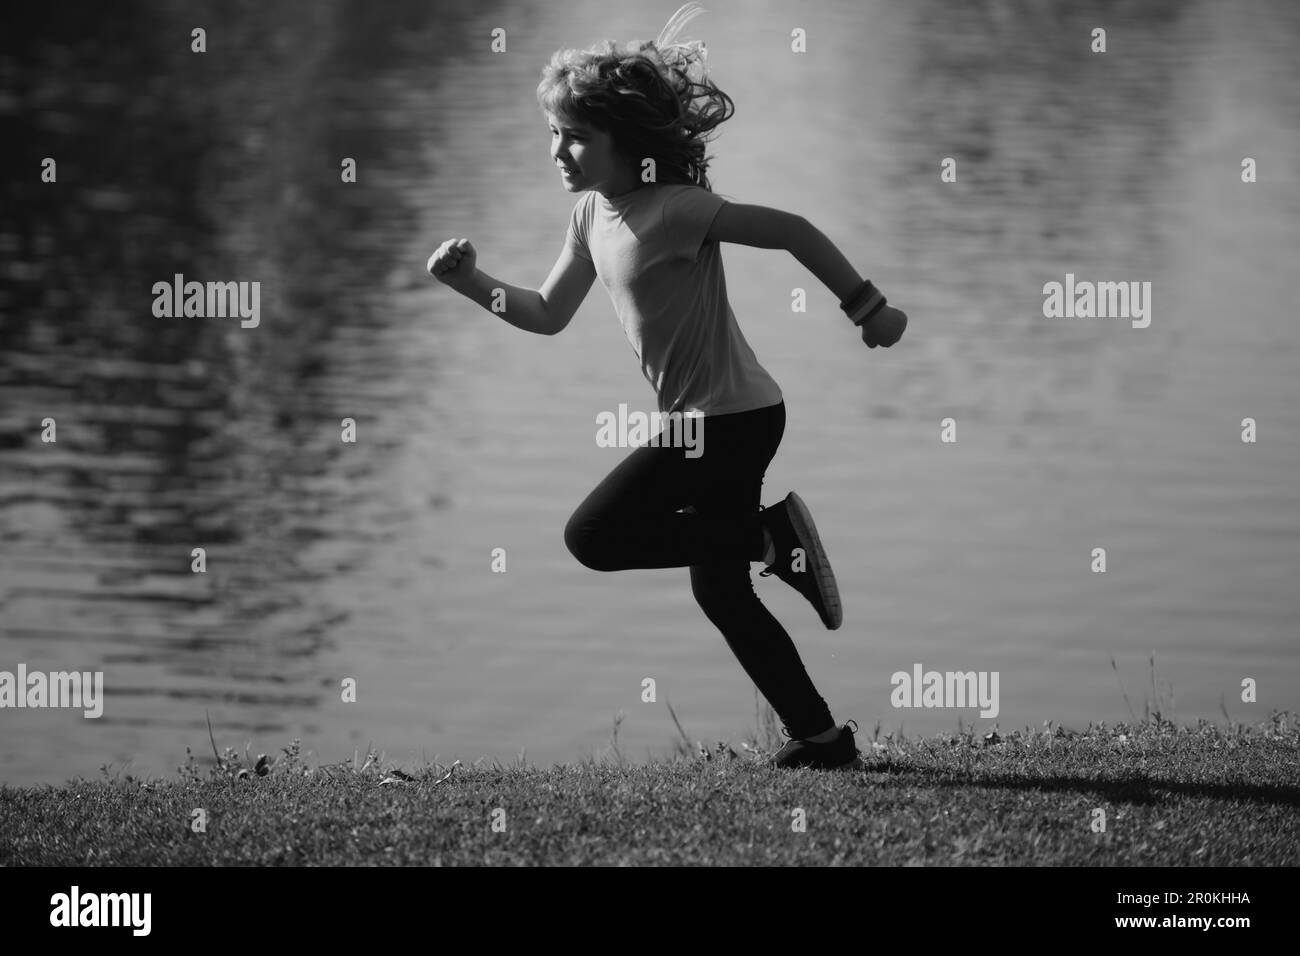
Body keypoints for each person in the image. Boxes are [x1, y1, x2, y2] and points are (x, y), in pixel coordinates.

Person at [427, 3, 906, 769]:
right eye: (553, 133)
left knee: (594, 536)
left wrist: (867, 307)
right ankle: (822, 738)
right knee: (718, 591)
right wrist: (471, 283)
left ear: (630, 141)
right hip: (714, 420)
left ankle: (766, 537)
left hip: (732, 419)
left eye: (577, 136)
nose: (559, 150)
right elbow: (547, 314)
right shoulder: (591, 216)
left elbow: (793, 230)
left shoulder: (675, 208)